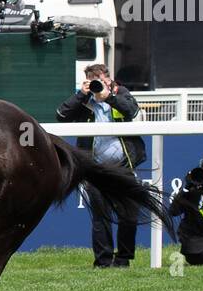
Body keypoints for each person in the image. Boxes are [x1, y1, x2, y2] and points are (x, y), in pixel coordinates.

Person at [56, 63, 146, 267]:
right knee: (101, 217)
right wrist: (82, 94)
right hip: (95, 169)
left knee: (129, 214)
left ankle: (123, 259)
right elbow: (61, 115)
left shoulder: (120, 92)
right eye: (93, 80)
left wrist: (109, 97)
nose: (98, 83)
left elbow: (132, 112)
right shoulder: (84, 101)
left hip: (124, 166)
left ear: (108, 78)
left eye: (101, 79)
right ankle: (103, 261)